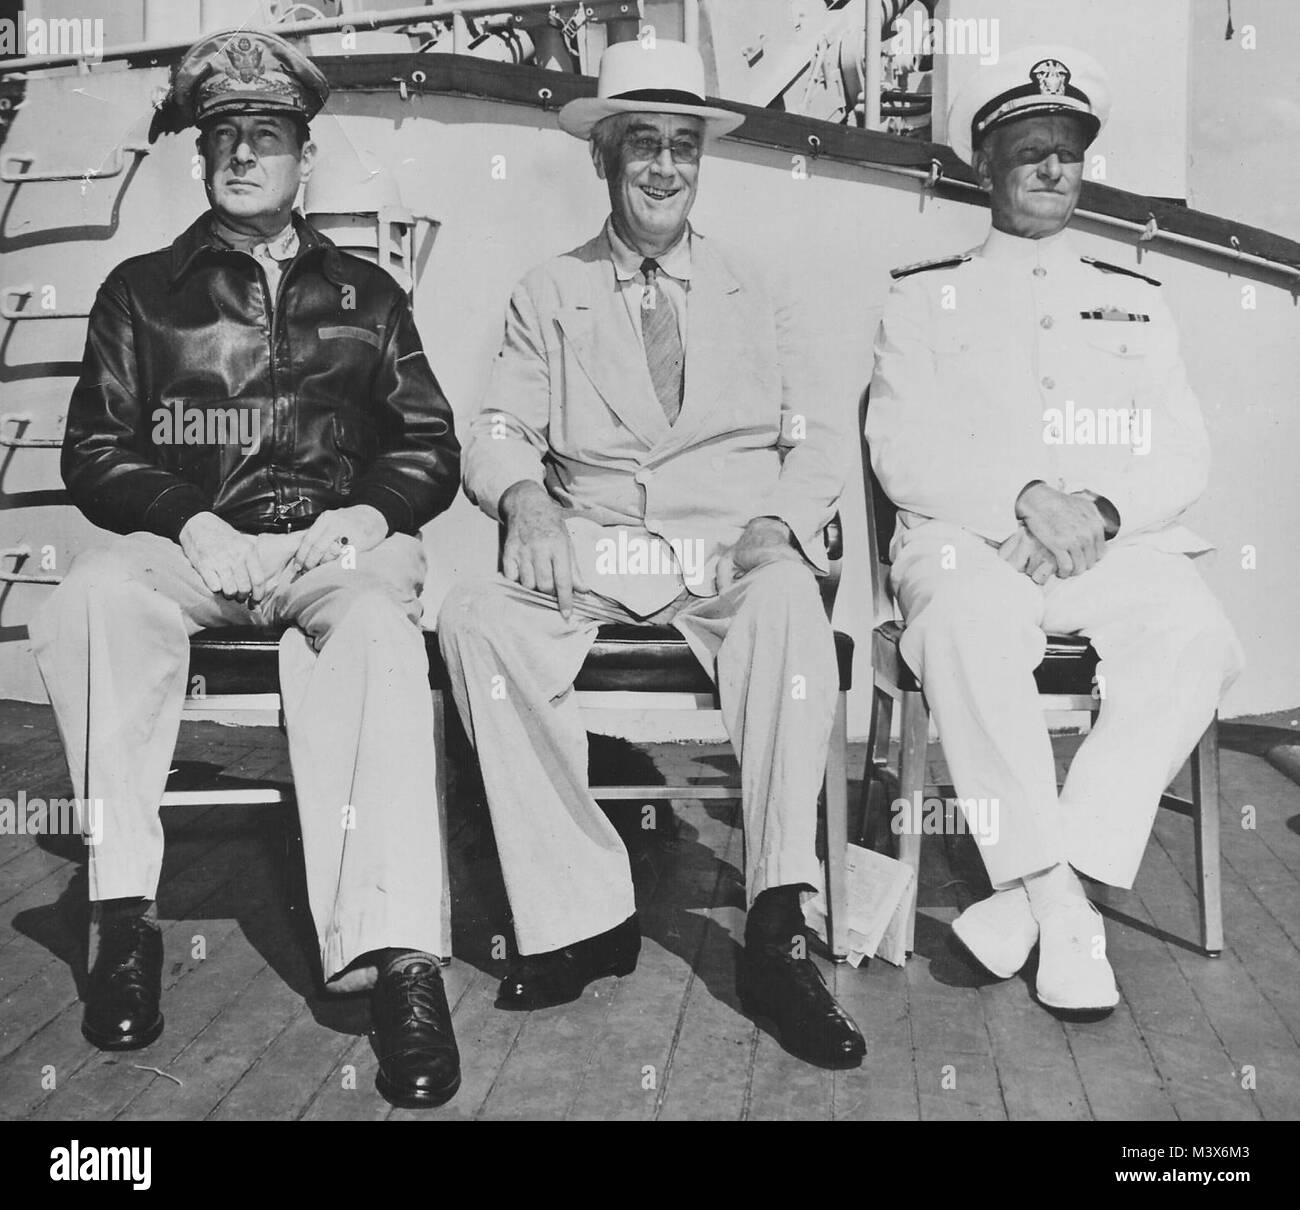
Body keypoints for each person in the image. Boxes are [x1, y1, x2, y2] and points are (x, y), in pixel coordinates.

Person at [29, 30, 463, 1107]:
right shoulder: (143, 291)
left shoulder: (367, 294)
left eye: (266, 136)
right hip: (191, 546)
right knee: (89, 599)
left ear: (303, 157)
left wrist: (366, 512)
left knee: (375, 633)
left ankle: (398, 958)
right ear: (202, 155)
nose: (243, 155)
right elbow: (93, 450)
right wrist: (183, 515)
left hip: (329, 547)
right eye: (226, 136)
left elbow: (428, 442)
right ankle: (121, 913)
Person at [438, 39, 865, 1068]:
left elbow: (818, 440)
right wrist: (527, 501)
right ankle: (587, 913)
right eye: (643, 145)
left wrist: (777, 526)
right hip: (593, 548)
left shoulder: (758, 288)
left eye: (682, 145)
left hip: (726, 547)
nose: (664, 166)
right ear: (604, 159)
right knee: (474, 617)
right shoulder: (550, 290)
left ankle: (775, 922)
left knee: (789, 608)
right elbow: (495, 427)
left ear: (700, 160)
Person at [866, 46, 1243, 1015]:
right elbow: (902, 446)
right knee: (966, 622)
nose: (1048, 169)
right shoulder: (922, 291)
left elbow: (1180, 452)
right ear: (984, 165)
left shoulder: (1138, 298)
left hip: (1104, 547)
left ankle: (1034, 893)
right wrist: (1023, 497)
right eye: (1027, 151)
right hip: (971, 538)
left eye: (1065, 153)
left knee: (1195, 632)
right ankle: (1065, 912)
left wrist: (1102, 512)